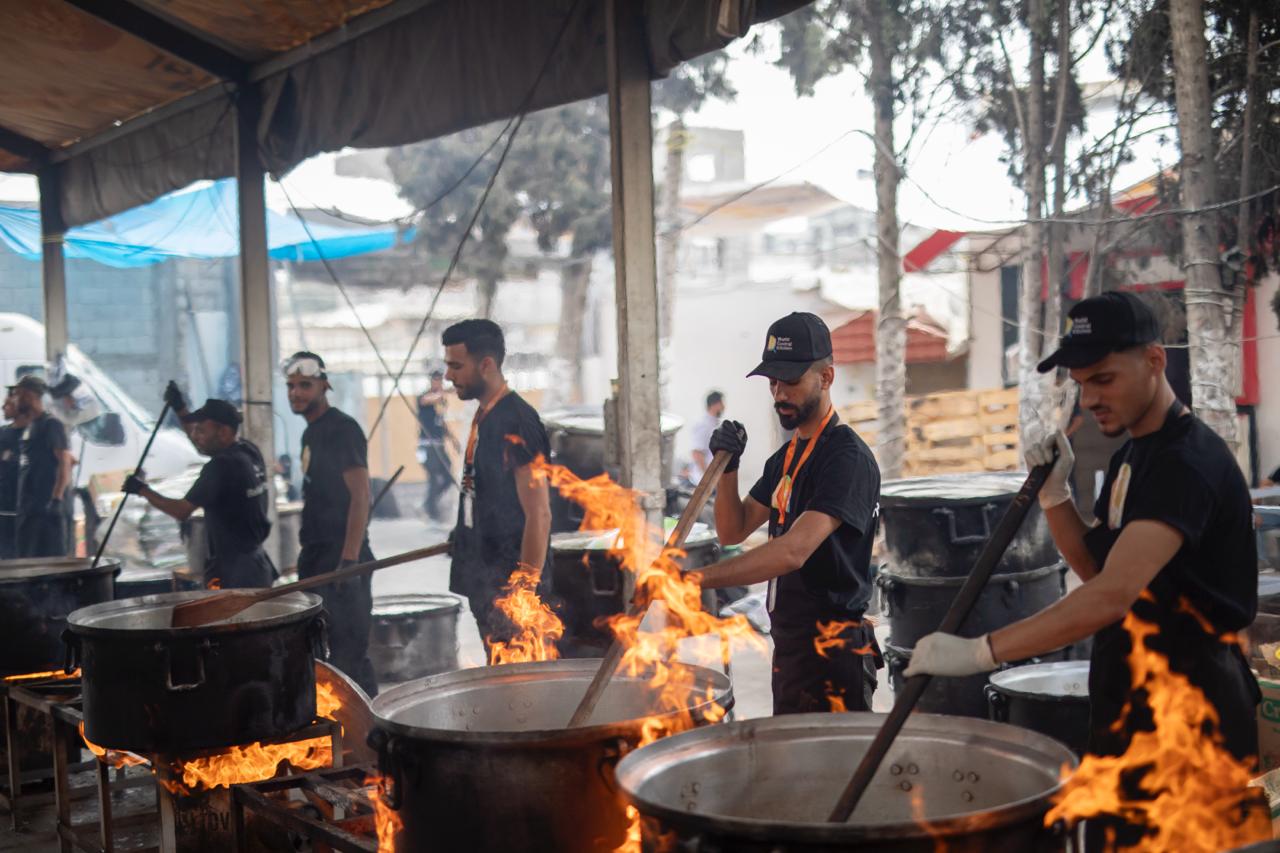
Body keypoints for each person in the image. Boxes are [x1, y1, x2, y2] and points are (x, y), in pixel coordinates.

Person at [904, 292, 1259, 844]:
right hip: (1135, 711)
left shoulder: (1185, 464)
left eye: (1104, 379)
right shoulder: (1132, 457)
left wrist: (982, 651)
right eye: (1081, 383)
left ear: (1154, 360)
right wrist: (1056, 496)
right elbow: (1098, 568)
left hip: (1190, 727)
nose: (1089, 398)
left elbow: (1109, 597)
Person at [694, 312, 882, 714]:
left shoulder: (845, 459)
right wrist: (728, 469)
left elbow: (792, 551)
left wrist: (694, 579)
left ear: (826, 378)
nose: (779, 393)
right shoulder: (786, 458)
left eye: (791, 381)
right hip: (793, 649)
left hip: (833, 655)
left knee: (831, 774)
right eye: (773, 381)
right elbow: (733, 530)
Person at [441, 320, 552, 653]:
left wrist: (525, 589)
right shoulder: (485, 415)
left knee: (522, 691)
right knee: (501, 686)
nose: (448, 375)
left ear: (486, 365)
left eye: (456, 366)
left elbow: (540, 514)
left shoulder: (516, 421)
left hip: (512, 587)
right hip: (486, 578)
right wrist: (465, 535)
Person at [284, 351, 379, 695]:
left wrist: (349, 561)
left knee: (349, 654)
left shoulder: (342, 430)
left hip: (343, 561)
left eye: (305, 385)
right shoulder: (310, 434)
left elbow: (361, 495)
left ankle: (365, 734)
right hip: (316, 556)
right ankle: (359, 733)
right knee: (325, 653)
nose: (296, 393)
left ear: (324, 385)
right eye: (291, 386)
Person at [124, 389, 274, 589]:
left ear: (224, 432)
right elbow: (201, 445)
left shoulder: (221, 467)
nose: (196, 436)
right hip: (256, 566)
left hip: (235, 573)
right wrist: (180, 409)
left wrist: (142, 490)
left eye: (201, 430)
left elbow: (181, 510)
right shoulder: (248, 450)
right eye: (195, 430)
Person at [11, 375, 71, 557]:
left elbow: (65, 462)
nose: (15, 399)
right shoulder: (30, 426)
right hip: (27, 509)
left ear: (29, 395)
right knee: (25, 561)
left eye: (18, 394)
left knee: (50, 563)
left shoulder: (51, 424)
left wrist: (56, 499)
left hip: (46, 510)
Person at [417, 369, 458, 522]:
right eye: (436, 380)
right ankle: (430, 510)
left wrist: (453, 439)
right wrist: (446, 391)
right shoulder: (424, 396)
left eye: (440, 380)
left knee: (448, 476)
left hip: (439, 444)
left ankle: (429, 504)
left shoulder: (441, 400)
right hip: (427, 445)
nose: (438, 383)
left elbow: (441, 421)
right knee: (433, 477)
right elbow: (427, 400)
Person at [0, 389, 24, 559]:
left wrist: (12, 457)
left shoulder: (34, 432)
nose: (3, 407)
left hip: (22, 504)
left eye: (8, 404)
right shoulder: (3, 432)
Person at [688, 391, 726, 484]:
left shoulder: (715, 424)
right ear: (714, 405)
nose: (724, 407)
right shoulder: (704, 425)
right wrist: (708, 478)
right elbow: (697, 453)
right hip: (704, 482)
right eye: (721, 403)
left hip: (715, 480)